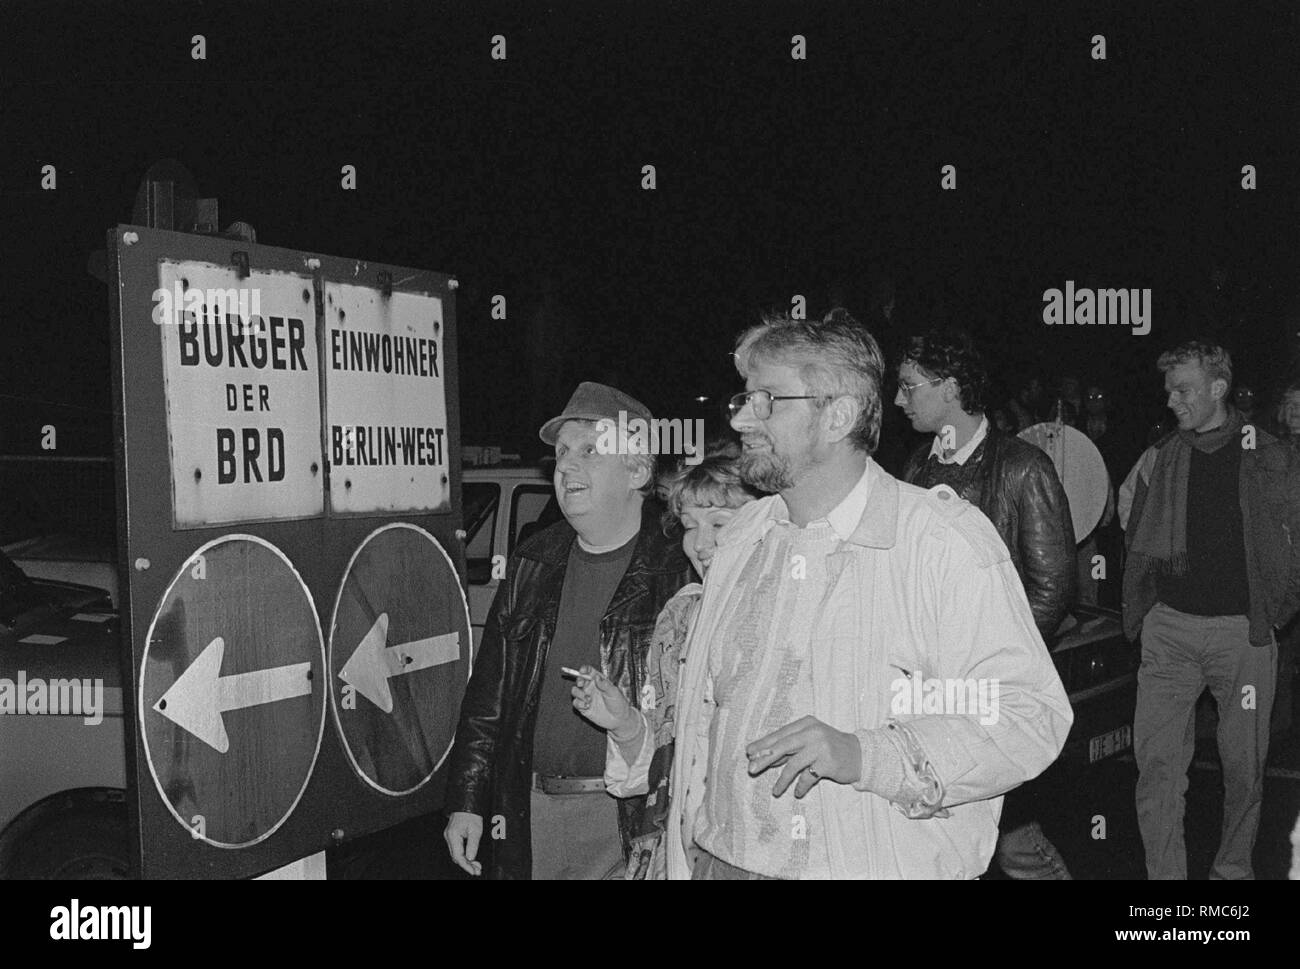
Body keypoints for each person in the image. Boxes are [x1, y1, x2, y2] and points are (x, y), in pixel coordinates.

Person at [661, 309, 1073, 879]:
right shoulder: (741, 542)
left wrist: (866, 755)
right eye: (743, 399)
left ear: (839, 416)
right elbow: (704, 725)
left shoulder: (937, 543)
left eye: (767, 400)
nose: (743, 420)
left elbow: (1026, 713)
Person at [442, 382, 693, 879]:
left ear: (637, 470)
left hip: (631, 815)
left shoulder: (682, 566)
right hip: (532, 810)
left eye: (591, 451)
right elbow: (487, 698)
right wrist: (467, 800)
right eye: (560, 454)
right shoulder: (533, 561)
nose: (566, 466)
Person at [895, 329, 1077, 880]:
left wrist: (989, 666)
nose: (898, 400)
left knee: (1013, 841)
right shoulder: (915, 469)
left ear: (949, 388)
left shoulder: (1024, 467)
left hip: (990, 691)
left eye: (908, 386)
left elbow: (1053, 588)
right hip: (927, 693)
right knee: (940, 835)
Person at [1123, 341, 1300, 879]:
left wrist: (1275, 611)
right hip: (1169, 631)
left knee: (1244, 770)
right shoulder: (1161, 455)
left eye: (1184, 389)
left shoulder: (1269, 454)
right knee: (1155, 766)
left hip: (1241, 637)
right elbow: (1131, 522)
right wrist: (1147, 608)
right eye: (1169, 390)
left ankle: (1231, 875)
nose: (1172, 399)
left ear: (1218, 389)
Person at [569, 449, 761, 878]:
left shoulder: (789, 619)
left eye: (720, 524)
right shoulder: (680, 618)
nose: (700, 542)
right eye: (691, 526)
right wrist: (623, 723)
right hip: (683, 851)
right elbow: (664, 767)